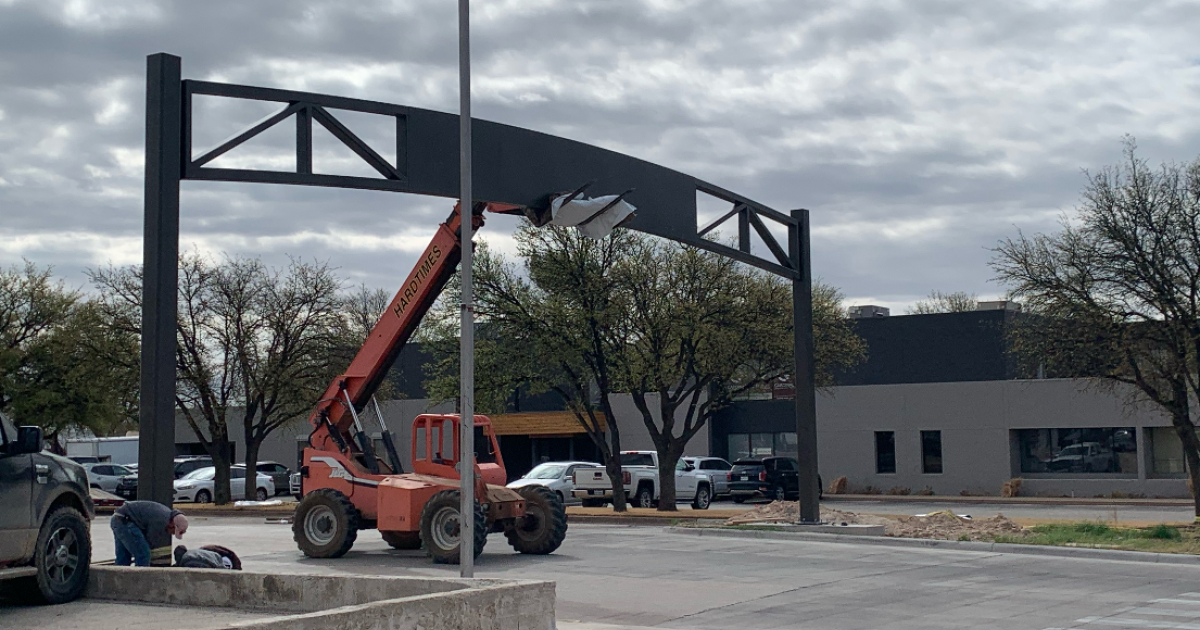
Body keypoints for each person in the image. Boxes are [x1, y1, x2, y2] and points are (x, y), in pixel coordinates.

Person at [110, 500, 188, 567]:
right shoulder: (161, 521)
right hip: (125, 521)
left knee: (123, 557)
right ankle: (141, 578)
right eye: (174, 531)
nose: (172, 534)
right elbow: (151, 543)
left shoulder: (166, 515)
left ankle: (118, 577)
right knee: (143, 555)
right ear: (172, 524)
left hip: (119, 518)